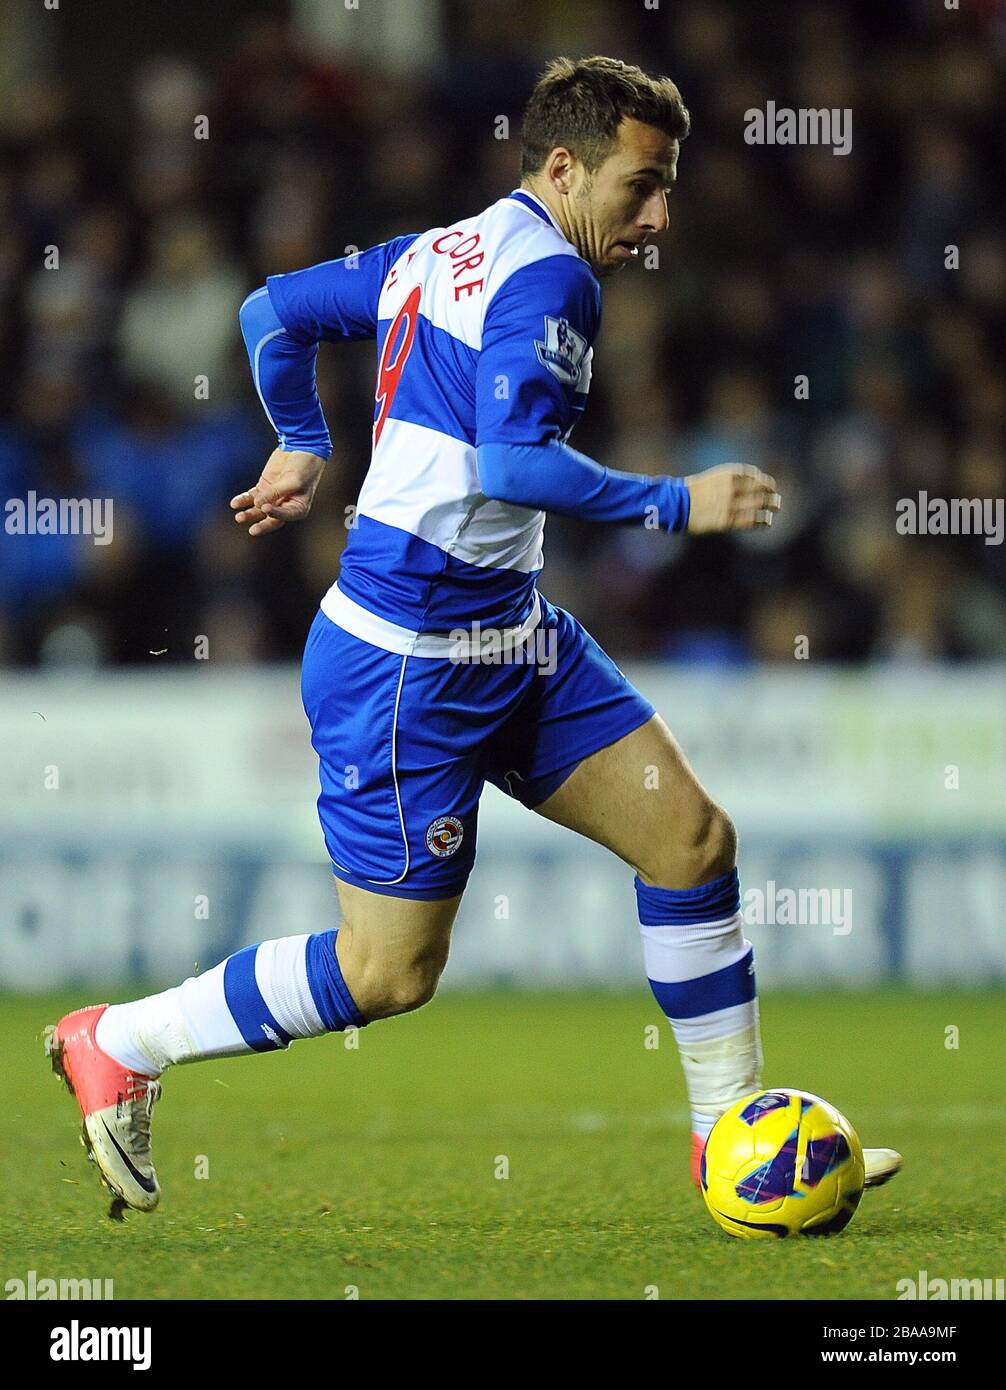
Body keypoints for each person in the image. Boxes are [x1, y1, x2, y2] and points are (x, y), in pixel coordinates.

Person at [47, 56, 900, 1213]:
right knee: (387, 974)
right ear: (562, 166)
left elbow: (271, 311)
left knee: (691, 842)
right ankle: (123, 1040)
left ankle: (731, 1145)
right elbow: (510, 464)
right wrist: (673, 501)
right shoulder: (549, 280)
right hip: (408, 661)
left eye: (669, 189)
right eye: (641, 187)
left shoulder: (439, 248)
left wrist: (302, 437)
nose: (659, 217)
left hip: (511, 631)